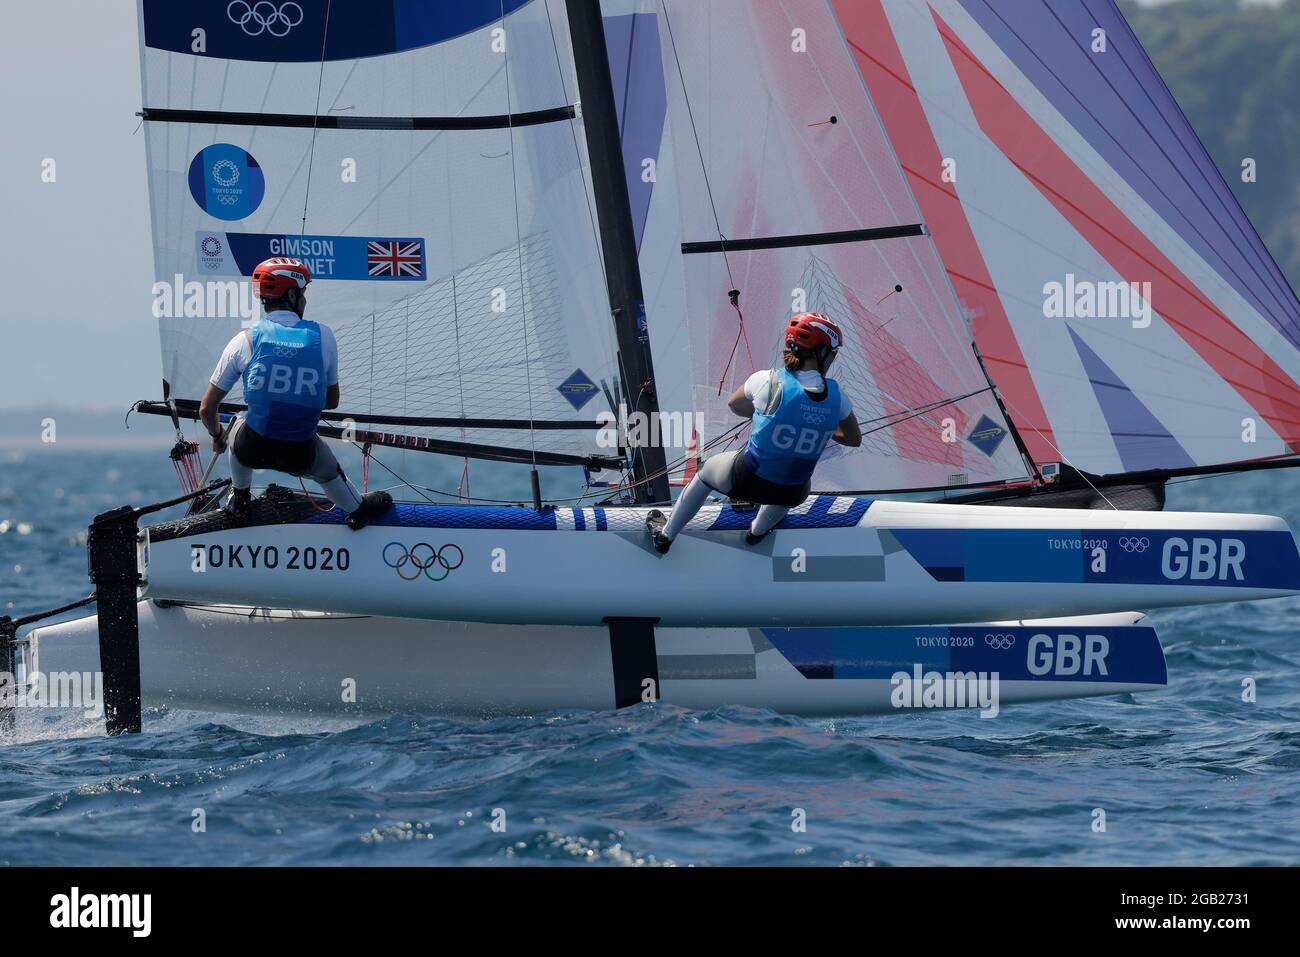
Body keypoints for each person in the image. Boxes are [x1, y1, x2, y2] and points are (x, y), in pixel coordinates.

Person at [198, 257, 391, 530]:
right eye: (303, 293)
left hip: (252, 450)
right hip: (301, 453)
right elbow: (331, 401)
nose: (305, 300)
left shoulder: (244, 340)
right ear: (291, 295)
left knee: (237, 421)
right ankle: (357, 511)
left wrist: (217, 436)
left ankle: (240, 499)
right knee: (328, 471)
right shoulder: (323, 336)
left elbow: (206, 409)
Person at [647, 312, 861, 554]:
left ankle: (665, 536)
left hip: (745, 480)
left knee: (705, 473)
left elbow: (735, 405)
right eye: (833, 353)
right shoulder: (839, 399)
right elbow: (853, 439)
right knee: (793, 481)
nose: (833, 358)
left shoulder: (766, 380)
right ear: (820, 352)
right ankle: (756, 533)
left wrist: (767, 414)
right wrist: (818, 424)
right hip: (793, 493)